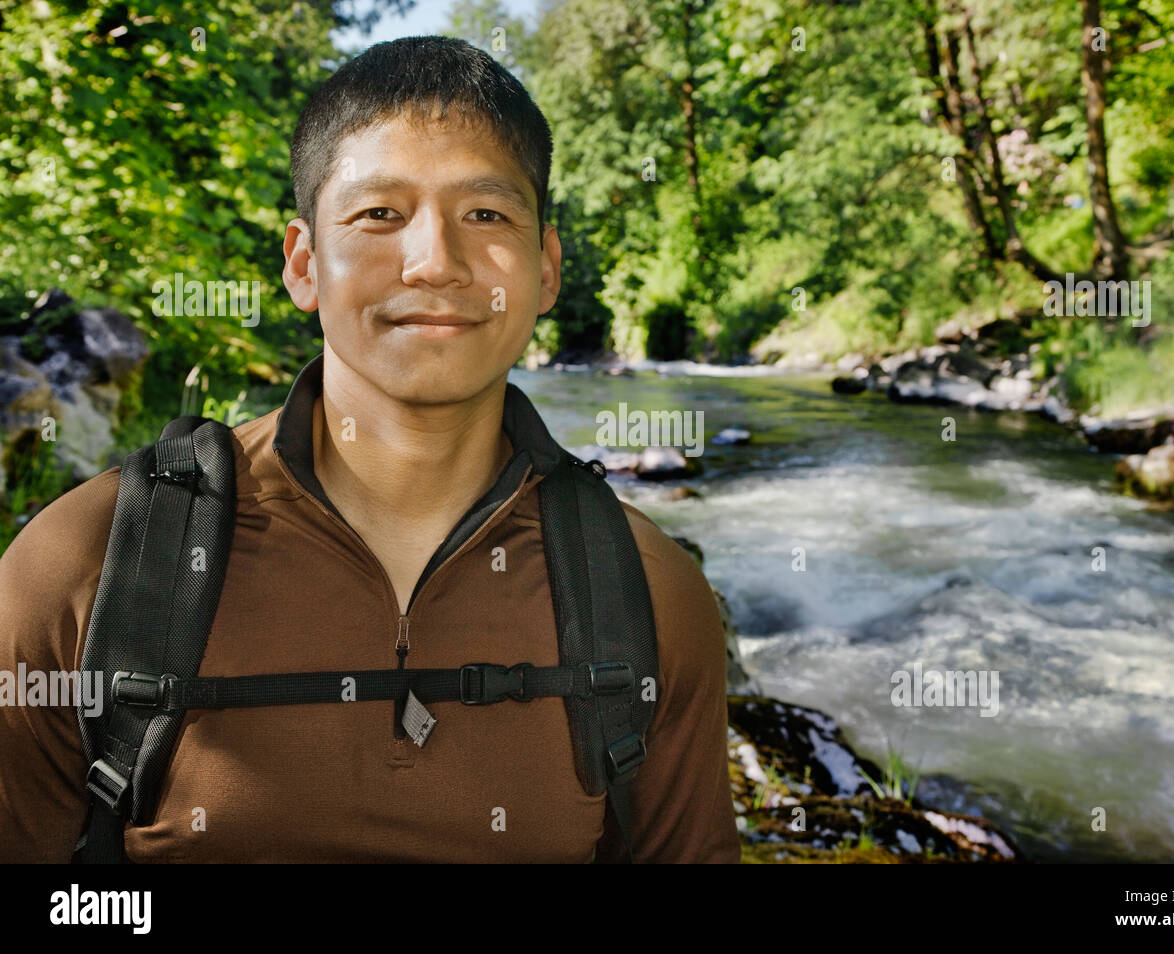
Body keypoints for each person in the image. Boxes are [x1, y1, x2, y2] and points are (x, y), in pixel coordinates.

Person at [0, 35, 741, 863]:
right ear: (304, 263)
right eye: (379, 214)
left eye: (487, 215)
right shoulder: (85, 566)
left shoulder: (647, 594)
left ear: (547, 268)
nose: (433, 263)